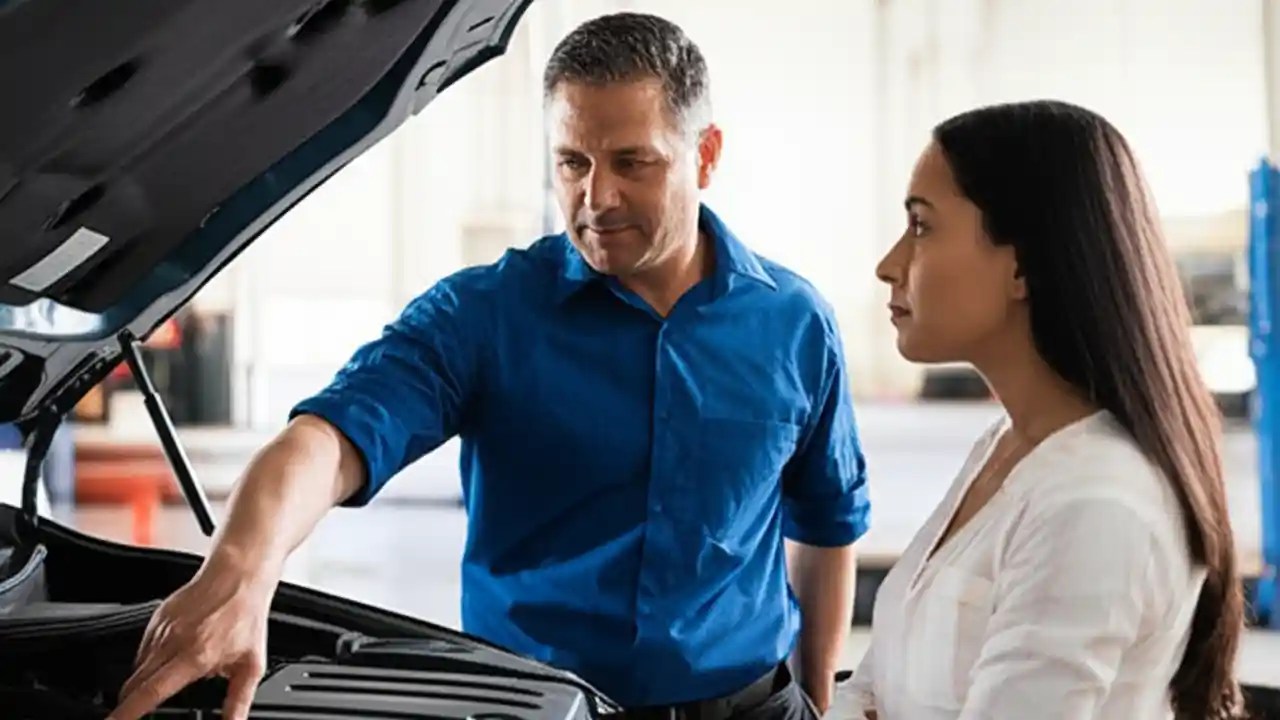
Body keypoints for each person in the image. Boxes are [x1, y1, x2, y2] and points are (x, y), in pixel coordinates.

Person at [107, 12, 871, 720]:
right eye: (571, 162)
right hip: (536, 707)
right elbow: (330, 440)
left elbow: (828, 523)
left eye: (632, 163)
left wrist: (816, 699)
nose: (594, 196)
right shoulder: (482, 315)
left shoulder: (795, 324)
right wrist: (241, 568)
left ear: (704, 156)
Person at [832, 99, 1245, 720]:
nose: (890, 266)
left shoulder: (1095, 497)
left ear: (1022, 261)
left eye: (922, 226)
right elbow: (871, 681)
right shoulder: (1008, 446)